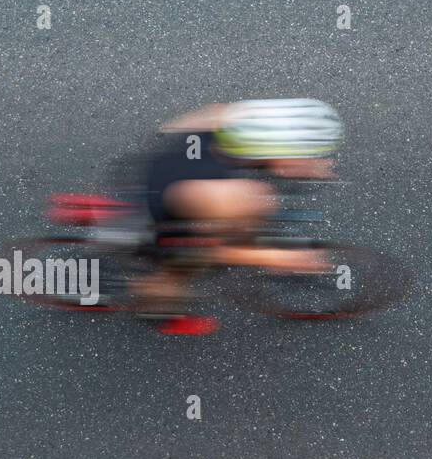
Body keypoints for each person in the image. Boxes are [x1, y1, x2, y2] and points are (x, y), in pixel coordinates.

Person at [135, 99, 342, 335]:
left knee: (255, 205)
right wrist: (275, 258)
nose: (323, 162)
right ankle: (157, 306)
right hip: (176, 208)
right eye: (309, 156)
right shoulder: (236, 196)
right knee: (185, 265)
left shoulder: (228, 122)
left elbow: (171, 130)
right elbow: (209, 250)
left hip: (174, 173)